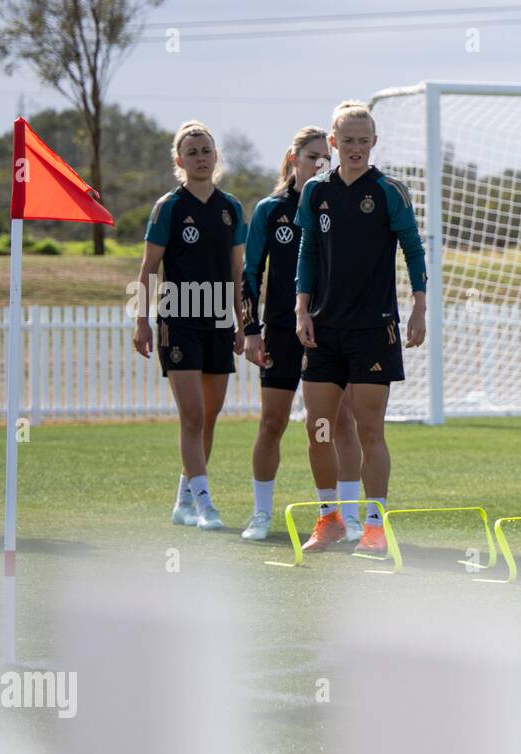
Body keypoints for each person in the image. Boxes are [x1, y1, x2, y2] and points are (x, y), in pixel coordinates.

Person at [294, 100, 427, 555]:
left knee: (371, 430)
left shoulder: (389, 190)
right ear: (332, 143)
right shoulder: (315, 192)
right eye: (346, 141)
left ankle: (374, 526)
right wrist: (301, 309)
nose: (355, 148)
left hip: (374, 328)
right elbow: (308, 252)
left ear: (374, 142)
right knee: (319, 428)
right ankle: (328, 518)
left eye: (362, 140)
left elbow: (413, 249)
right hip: (324, 329)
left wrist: (418, 307)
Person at [239, 126, 364, 543]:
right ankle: (260, 514)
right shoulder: (270, 209)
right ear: (294, 159)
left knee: (340, 423)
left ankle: (348, 519)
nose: (320, 163)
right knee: (272, 422)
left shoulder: (335, 203)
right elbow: (250, 272)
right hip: (280, 331)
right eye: (312, 157)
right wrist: (252, 329)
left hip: (328, 331)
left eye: (324, 157)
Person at [132, 120, 245, 531]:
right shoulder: (169, 206)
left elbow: (238, 273)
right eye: (192, 152)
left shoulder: (231, 208)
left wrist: (242, 324)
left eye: (207, 150)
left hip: (218, 321)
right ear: (180, 160)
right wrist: (141, 321)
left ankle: (183, 500)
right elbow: (147, 268)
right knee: (193, 416)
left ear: (217, 157)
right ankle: (204, 505)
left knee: (210, 418)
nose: (201, 157)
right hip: (177, 321)